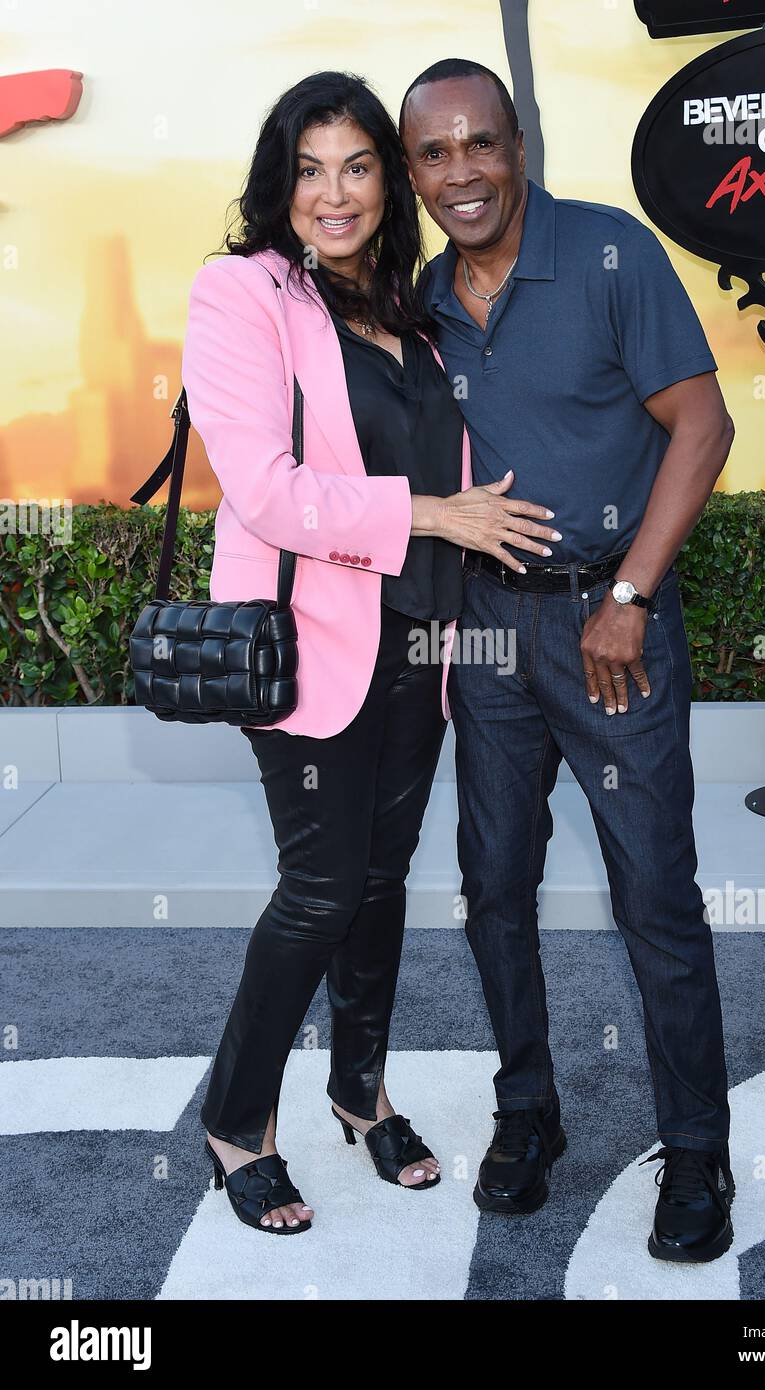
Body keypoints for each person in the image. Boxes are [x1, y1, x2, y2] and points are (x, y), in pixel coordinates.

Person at [181, 70, 559, 1235]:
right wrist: (436, 513)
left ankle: (360, 1090)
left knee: (382, 883)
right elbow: (267, 491)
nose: (332, 193)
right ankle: (237, 1119)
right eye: (308, 169)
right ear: (277, 181)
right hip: (305, 646)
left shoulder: (406, 306)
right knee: (319, 889)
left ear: (385, 181)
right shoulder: (241, 292)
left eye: (356, 166)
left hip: (417, 645)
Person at [400, 58, 737, 1261]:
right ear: (414, 172)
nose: (459, 173)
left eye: (478, 145)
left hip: (612, 627)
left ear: (518, 145)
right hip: (489, 629)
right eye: (433, 155)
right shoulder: (422, 297)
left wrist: (631, 595)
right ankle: (526, 1109)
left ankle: (696, 1147)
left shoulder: (608, 253)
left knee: (654, 891)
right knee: (491, 880)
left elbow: (702, 425)